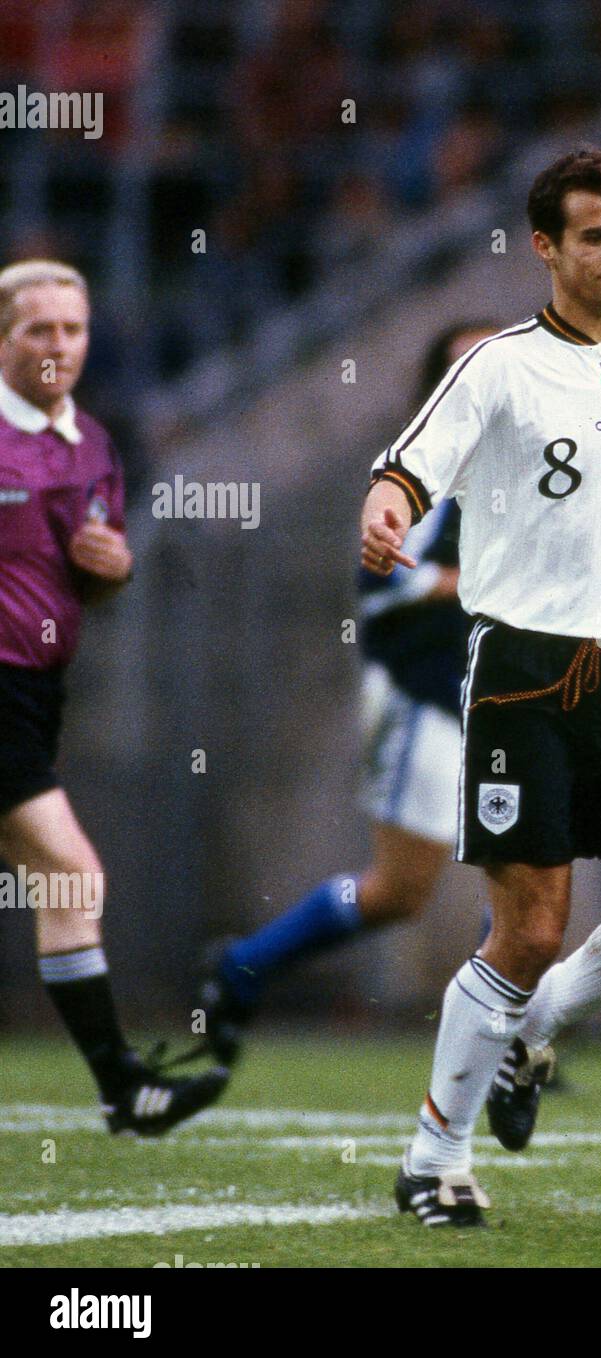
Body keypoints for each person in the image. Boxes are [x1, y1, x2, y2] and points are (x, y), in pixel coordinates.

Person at [360, 148, 601, 1227]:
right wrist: (388, 506)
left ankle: (533, 1032)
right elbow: (410, 463)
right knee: (529, 926)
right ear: (546, 247)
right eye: (594, 236)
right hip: (524, 671)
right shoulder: (495, 366)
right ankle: (430, 1160)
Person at [194, 323, 499, 1063]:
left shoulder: (515, 469)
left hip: (495, 700)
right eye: (465, 365)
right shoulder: (420, 473)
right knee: (400, 890)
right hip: (419, 695)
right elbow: (377, 575)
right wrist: (451, 583)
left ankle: (510, 1042)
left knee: (526, 870)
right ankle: (244, 964)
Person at [0, 259, 228, 1133]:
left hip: (36, 694)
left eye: (74, 329)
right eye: (39, 330)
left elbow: (86, 576)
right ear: (6, 339)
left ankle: (122, 1088)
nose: (61, 346)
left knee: (60, 886)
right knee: (69, 874)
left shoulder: (92, 444)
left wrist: (116, 569)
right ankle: (124, 1088)